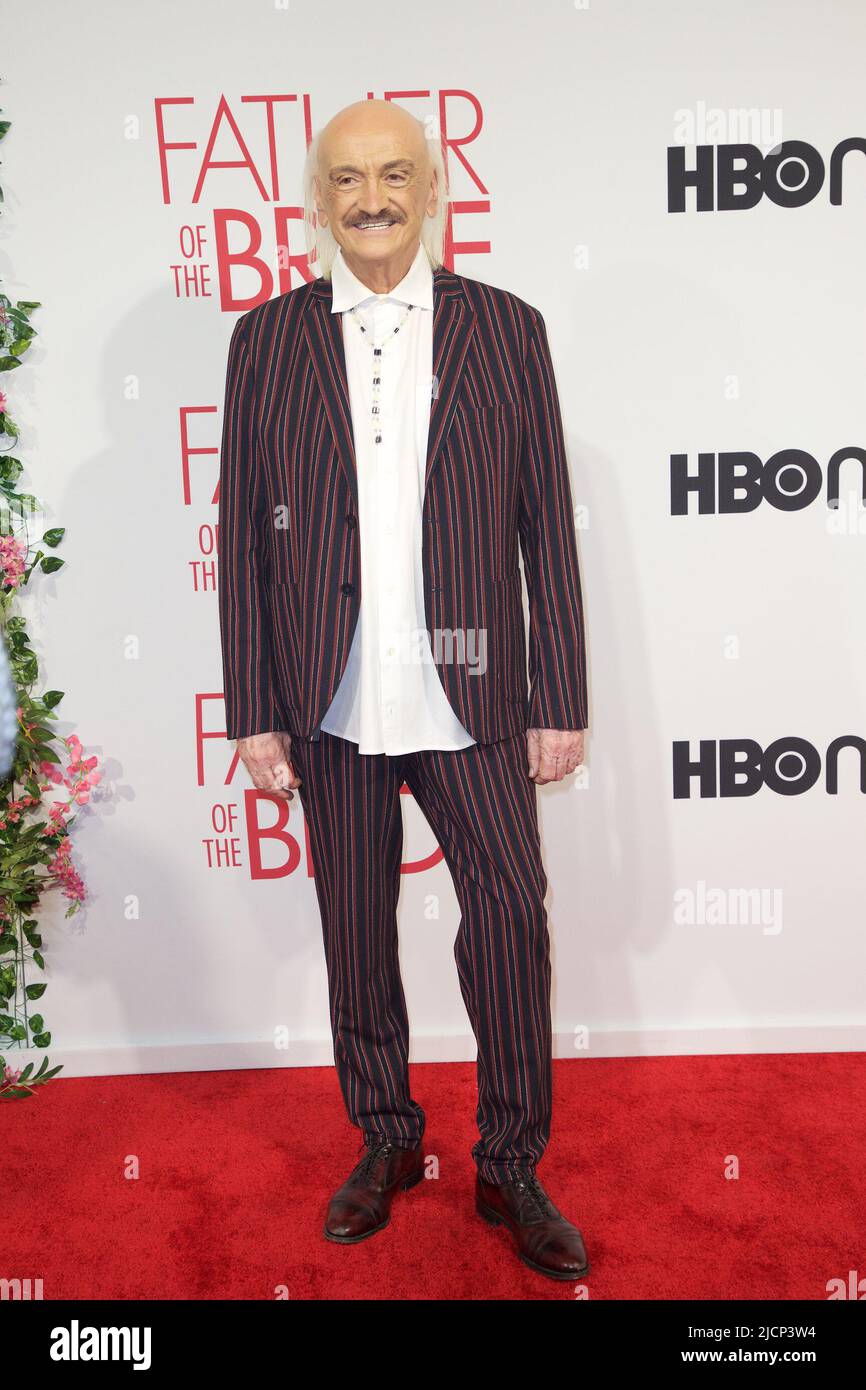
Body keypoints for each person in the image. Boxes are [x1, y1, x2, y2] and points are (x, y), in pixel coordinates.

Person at [218, 98, 591, 1281]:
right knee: (354, 931)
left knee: (507, 920)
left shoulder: (507, 328)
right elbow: (242, 544)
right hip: (327, 690)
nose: (369, 198)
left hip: (472, 688)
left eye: (391, 175)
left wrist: (560, 692)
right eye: (344, 179)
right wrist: (253, 705)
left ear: (431, 190)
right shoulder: (264, 339)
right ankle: (384, 1139)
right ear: (315, 199)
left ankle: (510, 1159)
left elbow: (544, 526)